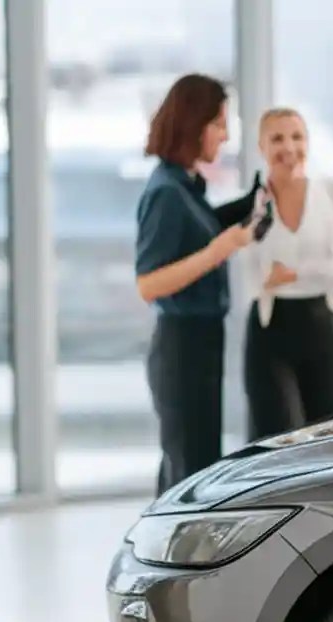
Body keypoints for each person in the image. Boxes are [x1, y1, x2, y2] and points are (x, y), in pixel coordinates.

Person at [136, 73, 258, 494]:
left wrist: (250, 207)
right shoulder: (167, 193)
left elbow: (200, 230)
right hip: (182, 348)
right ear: (195, 125)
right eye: (219, 124)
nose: (225, 136)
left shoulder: (186, 184)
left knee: (193, 461)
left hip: (201, 344)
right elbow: (150, 283)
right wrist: (221, 249)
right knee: (188, 469)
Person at [242, 108, 333, 439]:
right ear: (261, 147)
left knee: (323, 439)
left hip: (321, 326)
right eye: (277, 138)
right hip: (270, 329)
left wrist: (295, 274)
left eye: (297, 137)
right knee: (278, 437)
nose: (289, 146)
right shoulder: (251, 205)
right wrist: (280, 278)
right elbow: (248, 276)